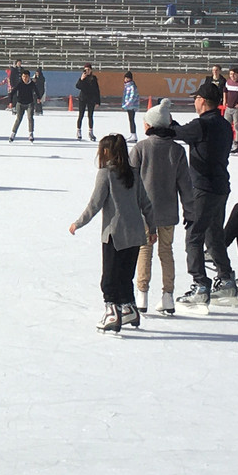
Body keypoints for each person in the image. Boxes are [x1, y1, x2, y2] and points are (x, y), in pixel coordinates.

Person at [69, 135, 155, 332]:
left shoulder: (106, 174)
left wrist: (78, 223)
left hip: (115, 235)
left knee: (109, 278)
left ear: (106, 152)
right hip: (135, 233)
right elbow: (146, 203)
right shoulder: (133, 173)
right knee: (125, 275)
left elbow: (95, 204)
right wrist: (152, 228)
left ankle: (112, 312)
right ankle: (129, 309)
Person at [171, 82, 237, 308]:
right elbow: (182, 132)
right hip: (220, 187)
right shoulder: (224, 124)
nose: (194, 102)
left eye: (196, 98)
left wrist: (163, 122)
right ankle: (226, 280)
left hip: (204, 189)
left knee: (194, 236)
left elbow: (176, 132)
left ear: (202, 101)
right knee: (214, 234)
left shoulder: (201, 124)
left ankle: (200, 284)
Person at [129, 99, 192, 315]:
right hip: (168, 212)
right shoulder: (177, 150)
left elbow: (129, 181)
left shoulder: (141, 148)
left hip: (144, 212)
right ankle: (168, 296)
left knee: (144, 249)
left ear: (150, 125)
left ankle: (142, 294)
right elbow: (185, 185)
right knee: (166, 251)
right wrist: (189, 210)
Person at [8, 69, 37, 143]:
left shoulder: (32, 84)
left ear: (29, 77)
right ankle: (13, 134)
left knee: (30, 118)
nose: (24, 78)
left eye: (26, 77)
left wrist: (39, 98)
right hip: (20, 103)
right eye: (23, 76)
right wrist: (10, 102)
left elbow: (36, 90)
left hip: (29, 103)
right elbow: (12, 93)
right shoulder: (19, 84)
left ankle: (31, 134)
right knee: (18, 119)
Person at [75, 63, 100, 141]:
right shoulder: (82, 78)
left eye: (88, 69)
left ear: (91, 70)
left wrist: (98, 101)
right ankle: (78, 131)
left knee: (90, 116)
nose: (87, 71)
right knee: (81, 115)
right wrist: (81, 79)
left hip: (91, 99)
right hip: (83, 99)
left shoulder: (94, 78)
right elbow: (77, 86)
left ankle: (91, 132)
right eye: (85, 70)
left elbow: (97, 90)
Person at [224, 67, 238, 155]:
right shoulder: (228, 82)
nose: (232, 76)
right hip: (229, 108)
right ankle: (227, 142)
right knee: (226, 125)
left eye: (234, 74)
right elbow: (225, 91)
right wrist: (225, 100)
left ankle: (237, 145)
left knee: (237, 127)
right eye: (230, 74)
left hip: (237, 109)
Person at [121, 72, 139, 142]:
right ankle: (132, 134)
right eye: (125, 78)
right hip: (129, 106)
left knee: (131, 120)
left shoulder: (132, 86)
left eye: (127, 78)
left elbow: (132, 97)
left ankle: (134, 135)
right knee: (131, 120)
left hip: (132, 106)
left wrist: (126, 105)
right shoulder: (127, 86)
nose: (125, 79)